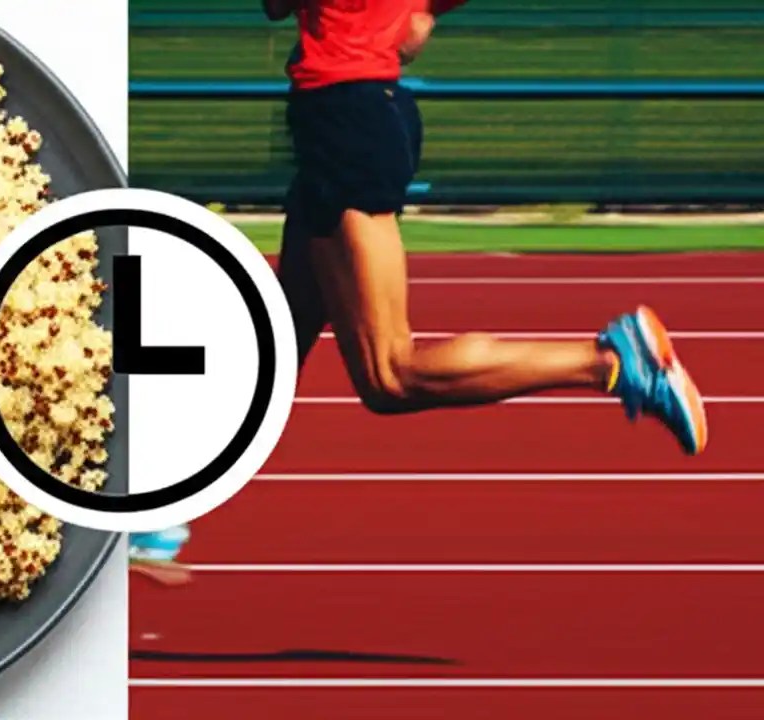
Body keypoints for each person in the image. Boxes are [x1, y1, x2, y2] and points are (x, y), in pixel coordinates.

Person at [262, 0, 708, 454]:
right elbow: (417, 23)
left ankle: (610, 361)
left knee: (390, 375)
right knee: (277, 339)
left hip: (344, 117)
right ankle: (191, 481)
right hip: (363, 112)